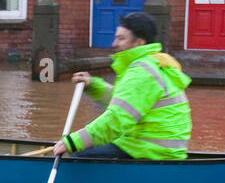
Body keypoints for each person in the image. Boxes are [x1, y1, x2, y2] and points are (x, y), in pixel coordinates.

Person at [52, 12, 192, 160]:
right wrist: (93, 85)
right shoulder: (155, 64)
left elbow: (117, 118)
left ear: (139, 42)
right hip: (153, 149)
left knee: (78, 157)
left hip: (150, 152)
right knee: (91, 146)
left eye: (121, 38)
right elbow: (124, 104)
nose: (114, 44)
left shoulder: (142, 72)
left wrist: (74, 142)